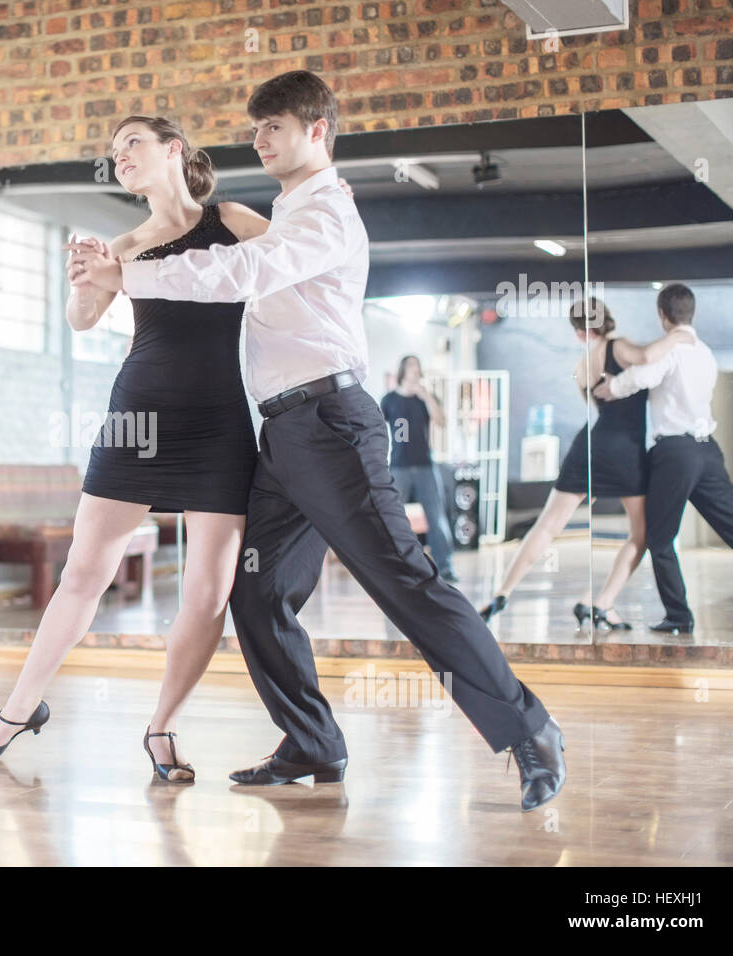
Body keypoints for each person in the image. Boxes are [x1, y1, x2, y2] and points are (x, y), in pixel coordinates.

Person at [66, 70, 565, 811]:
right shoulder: (288, 212)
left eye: (277, 126)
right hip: (285, 432)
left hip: (331, 423)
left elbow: (244, 271)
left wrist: (127, 274)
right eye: (256, 128)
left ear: (318, 132)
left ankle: (529, 728)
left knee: (404, 582)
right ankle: (312, 741)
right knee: (258, 589)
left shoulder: (326, 214)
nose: (260, 139)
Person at [0, 116, 334, 781]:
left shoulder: (230, 219)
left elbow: (294, 266)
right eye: (112, 152)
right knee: (83, 574)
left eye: (131, 143)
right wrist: (86, 275)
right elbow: (82, 319)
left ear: (173, 150)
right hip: (137, 419)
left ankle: (161, 727)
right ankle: (19, 708)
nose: (120, 157)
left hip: (221, 425)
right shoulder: (125, 243)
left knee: (208, 593)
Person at [478, 299, 689, 629]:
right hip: (624, 450)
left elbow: (594, 407)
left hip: (588, 445)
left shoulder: (580, 364)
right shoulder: (620, 347)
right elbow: (648, 357)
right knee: (642, 534)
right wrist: (678, 337)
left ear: (579, 333)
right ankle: (600, 602)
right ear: (608, 319)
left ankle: (501, 592)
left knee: (547, 525)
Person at [594, 283, 733, 634]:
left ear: (662, 316)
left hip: (675, 453)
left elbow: (643, 374)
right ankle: (678, 614)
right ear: (690, 313)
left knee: (660, 538)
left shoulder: (670, 350)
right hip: (707, 451)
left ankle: (679, 616)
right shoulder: (706, 353)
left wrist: (611, 388)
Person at [381, 355, 458, 584]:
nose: (415, 370)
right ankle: (393, 568)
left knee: (436, 517)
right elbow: (376, 427)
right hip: (398, 467)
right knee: (393, 518)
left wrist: (426, 396)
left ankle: (445, 567)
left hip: (425, 465)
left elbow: (442, 421)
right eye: (411, 366)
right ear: (403, 369)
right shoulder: (389, 400)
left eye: (417, 366)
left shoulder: (425, 399)